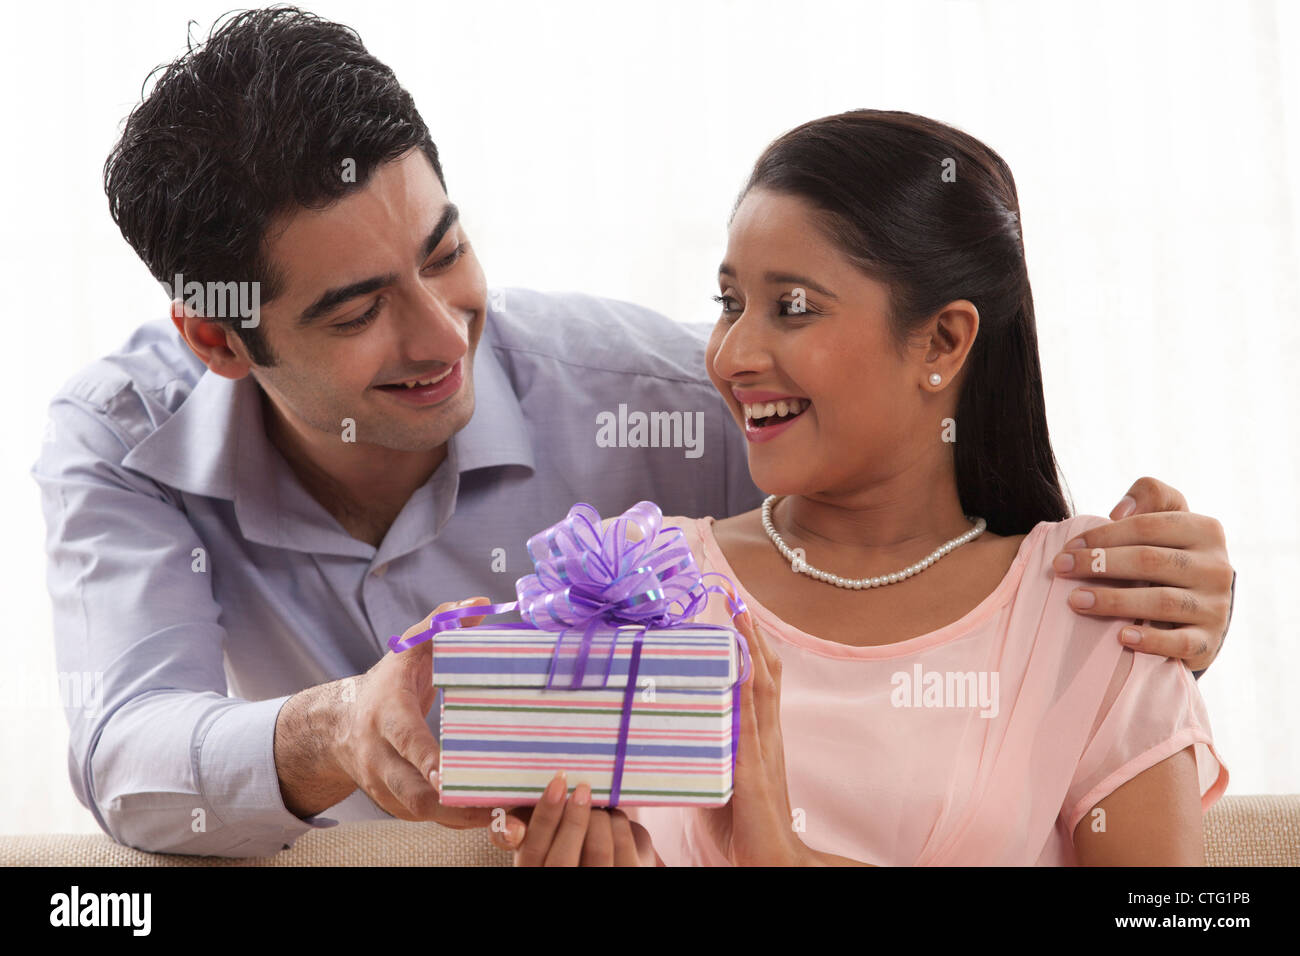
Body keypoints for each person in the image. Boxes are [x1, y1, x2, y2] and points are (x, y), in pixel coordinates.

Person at [31, 8, 1233, 858]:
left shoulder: (670, 402)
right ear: (219, 337)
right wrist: (339, 725)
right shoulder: (121, 438)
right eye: (356, 311)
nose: (441, 333)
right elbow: (130, 750)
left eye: (445, 251)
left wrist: (1129, 592)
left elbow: (930, 512)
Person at [498, 110, 1228, 866]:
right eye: (729, 304)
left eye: (793, 308)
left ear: (942, 341)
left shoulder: (1092, 604)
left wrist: (791, 859)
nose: (732, 355)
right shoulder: (636, 582)